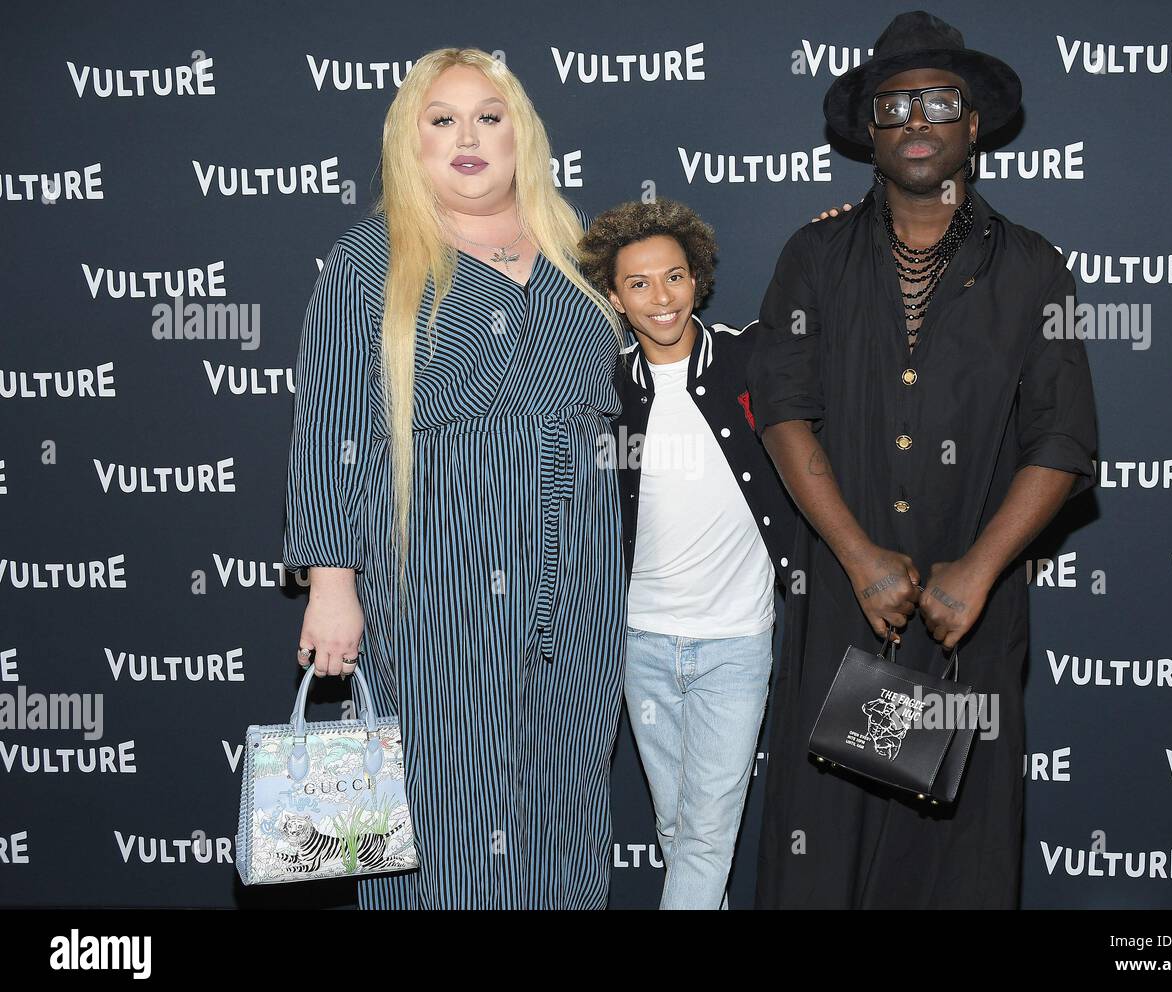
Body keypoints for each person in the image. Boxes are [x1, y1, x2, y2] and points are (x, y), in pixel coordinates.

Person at [747, 10, 1098, 908]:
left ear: (972, 123)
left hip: (962, 627)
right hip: (842, 605)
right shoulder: (814, 255)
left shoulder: (1034, 269)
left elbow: (1062, 438)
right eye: (894, 103)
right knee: (824, 850)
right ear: (869, 127)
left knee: (954, 860)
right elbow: (784, 410)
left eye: (939, 101)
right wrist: (860, 557)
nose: (916, 118)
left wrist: (977, 571)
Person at [281, 47, 628, 909]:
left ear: (523, 137)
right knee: (439, 791)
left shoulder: (581, 259)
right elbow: (330, 427)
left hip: (575, 578)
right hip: (436, 571)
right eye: (442, 119)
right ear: (412, 142)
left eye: (489, 116)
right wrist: (332, 584)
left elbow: (675, 351)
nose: (466, 136)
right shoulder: (373, 259)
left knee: (565, 786)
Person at [577, 200, 800, 908]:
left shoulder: (752, 356)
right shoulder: (601, 388)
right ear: (613, 296)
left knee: (705, 836)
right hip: (638, 643)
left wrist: (850, 237)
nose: (661, 296)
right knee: (681, 829)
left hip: (735, 642)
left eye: (674, 276)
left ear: (697, 279)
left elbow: (851, 321)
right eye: (638, 283)